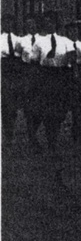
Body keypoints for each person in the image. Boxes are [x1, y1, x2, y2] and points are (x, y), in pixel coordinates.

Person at [28, 11, 74, 153]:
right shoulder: (39, 41)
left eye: (52, 21)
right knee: (44, 110)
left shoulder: (65, 41)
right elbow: (34, 61)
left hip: (61, 77)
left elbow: (72, 59)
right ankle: (38, 138)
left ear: (56, 23)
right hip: (45, 77)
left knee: (58, 112)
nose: (49, 24)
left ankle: (52, 140)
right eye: (46, 21)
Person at [1, 13, 23, 145]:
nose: (8, 25)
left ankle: (11, 129)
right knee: (5, 104)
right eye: (5, 23)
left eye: (10, 23)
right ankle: (7, 133)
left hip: (14, 72)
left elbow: (21, 56)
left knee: (13, 106)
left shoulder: (17, 39)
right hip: (3, 71)